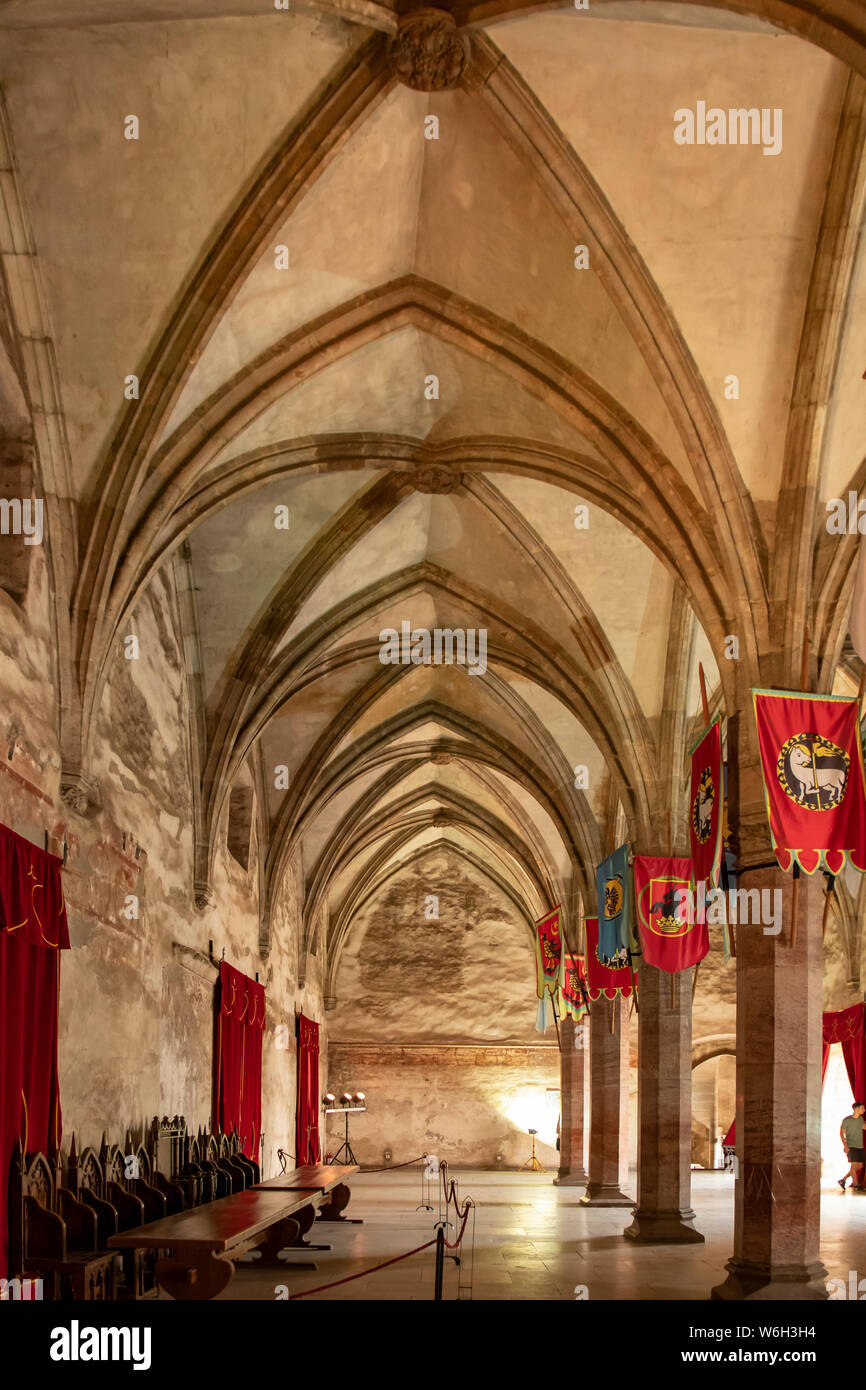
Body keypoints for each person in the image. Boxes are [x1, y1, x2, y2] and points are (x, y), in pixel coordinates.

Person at [838, 1100, 866, 1190]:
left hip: (860, 1146)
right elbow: (841, 1134)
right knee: (853, 1166)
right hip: (851, 1146)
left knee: (860, 1166)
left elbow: (864, 1127)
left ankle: (843, 1180)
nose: (864, 1110)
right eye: (863, 1108)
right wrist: (845, 1146)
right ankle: (856, 1185)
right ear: (856, 1109)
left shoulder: (861, 1119)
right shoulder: (847, 1120)